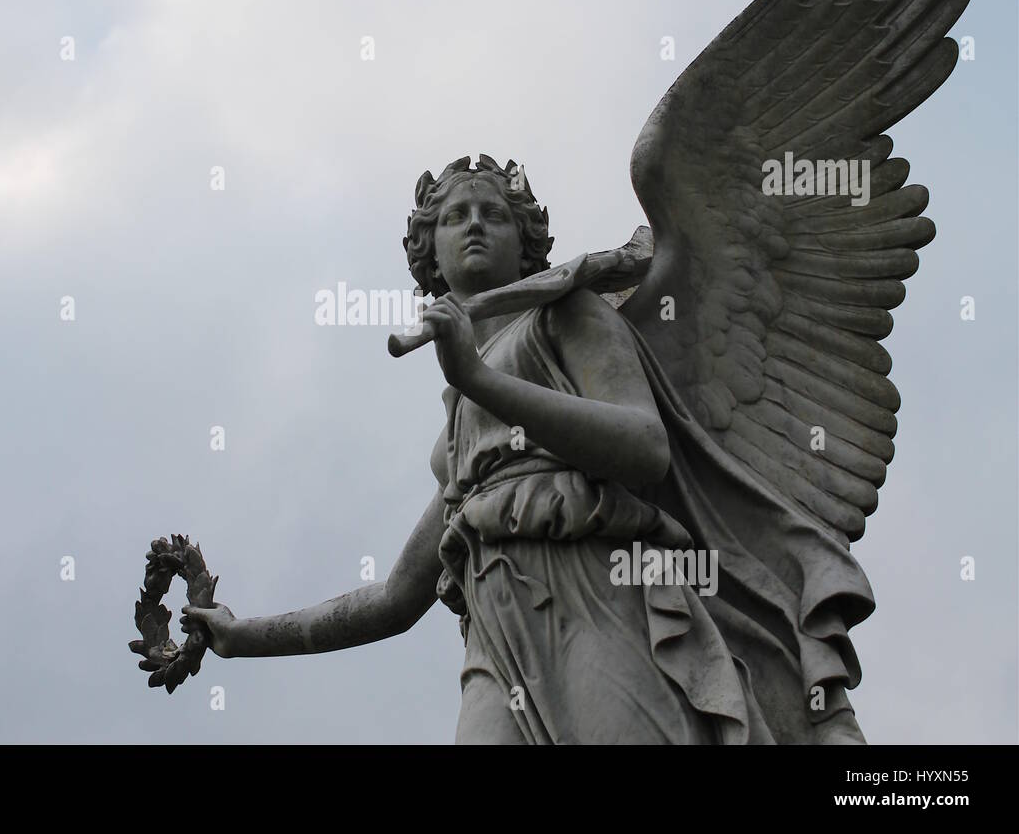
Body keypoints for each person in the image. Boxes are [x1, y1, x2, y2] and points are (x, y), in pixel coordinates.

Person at [182, 155, 867, 744]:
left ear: (526, 240)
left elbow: (643, 448)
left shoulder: (569, 315)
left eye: (494, 213)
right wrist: (243, 636)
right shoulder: (457, 445)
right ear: (429, 253)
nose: (475, 223)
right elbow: (396, 597)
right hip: (495, 645)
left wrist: (480, 380)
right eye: (455, 217)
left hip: (604, 605)